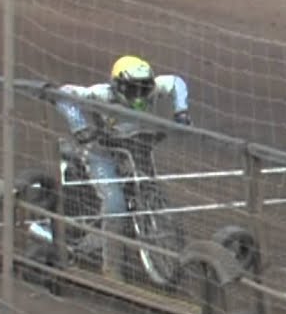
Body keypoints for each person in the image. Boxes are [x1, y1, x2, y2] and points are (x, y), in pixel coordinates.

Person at [53, 55, 191, 275]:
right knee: (116, 204)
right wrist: (79, 126)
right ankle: (112, 270)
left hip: (134, 148)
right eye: (132, 89)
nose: (139, 94)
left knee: (148, 185)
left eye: (144, 87)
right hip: (101, 151)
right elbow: (62, 94)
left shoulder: (155, 88)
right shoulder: (101, 94)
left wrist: (181, 111)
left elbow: (177, 82)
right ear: (117, 85)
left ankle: (146, 226)